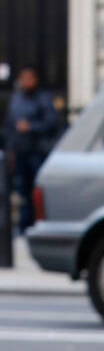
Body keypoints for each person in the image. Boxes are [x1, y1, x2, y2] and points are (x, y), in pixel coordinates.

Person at [4, 66, 60, 234]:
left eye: (30, 78)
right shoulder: (16, 100)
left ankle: (39, 224)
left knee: (37, 190)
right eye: (24, 78)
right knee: (22, 191)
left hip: (38, 152)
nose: (27, 82)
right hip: (21, 152)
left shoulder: (43, 99)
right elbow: (10, 127)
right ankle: (23, 225)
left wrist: (31, 127)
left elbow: (52, 123)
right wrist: (10, 151)